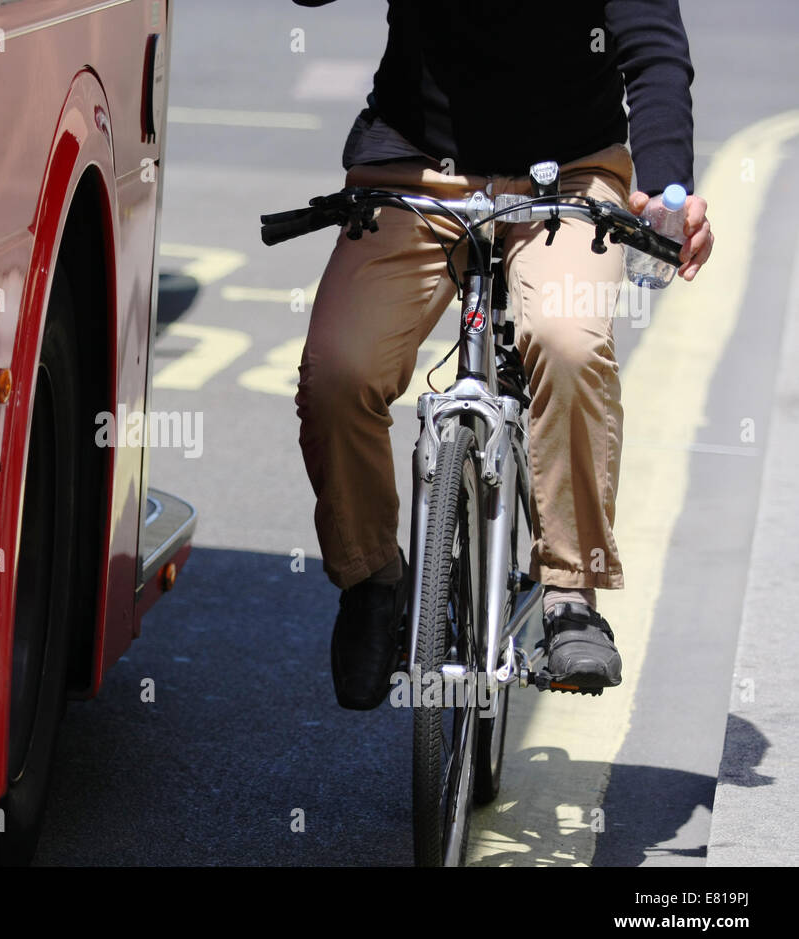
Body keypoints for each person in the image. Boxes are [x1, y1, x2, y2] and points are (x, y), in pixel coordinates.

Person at [290, 0, 715, 709]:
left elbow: (654, 49)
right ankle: (372, 578)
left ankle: (570, 592)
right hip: (415, 169)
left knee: (569, 342)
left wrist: (666, 185)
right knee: (338, 371)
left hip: (572, 174)